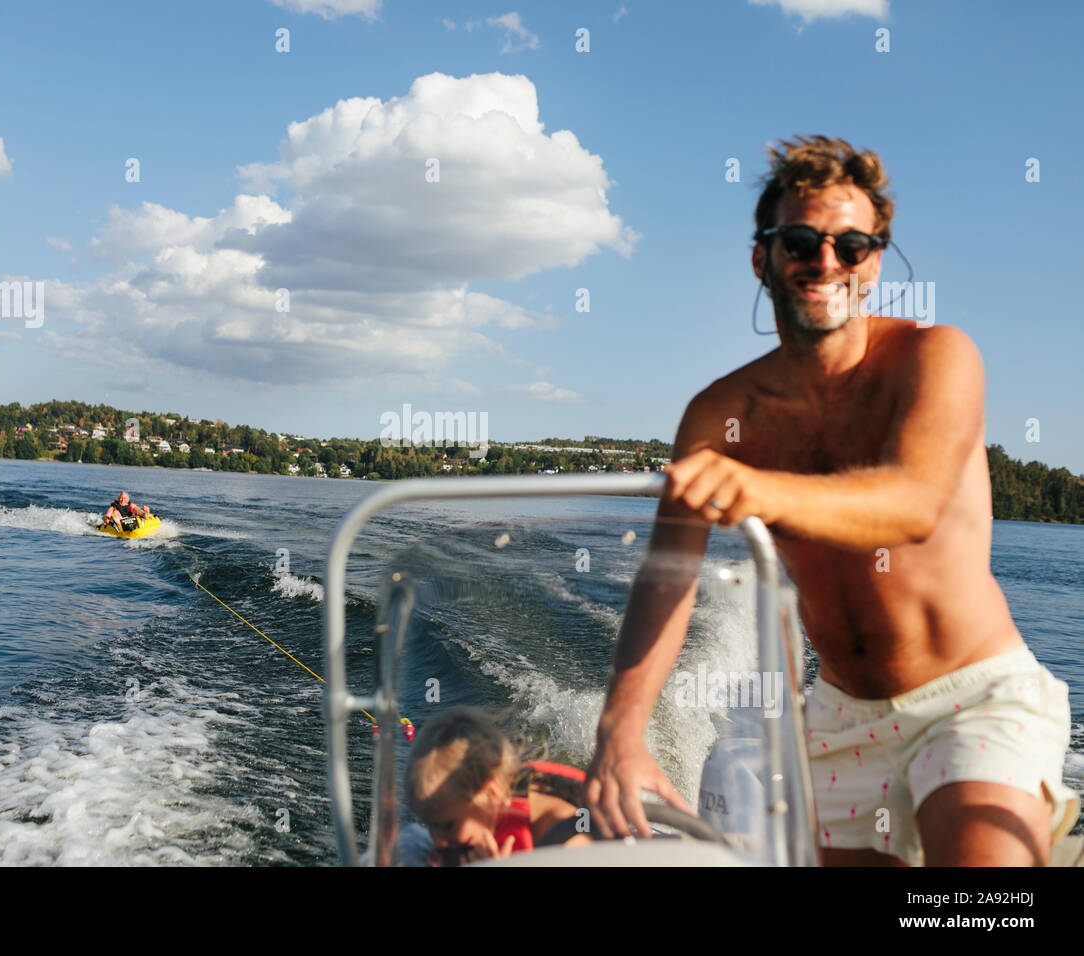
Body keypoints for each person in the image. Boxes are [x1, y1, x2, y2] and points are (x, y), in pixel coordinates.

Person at [586, 136, 1077, 866]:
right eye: (801, 242)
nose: (826, 263)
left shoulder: (935, 358)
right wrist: (619, 735)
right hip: (842, 719)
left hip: (974, 697)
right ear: (763, 258)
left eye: (851, 245)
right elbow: (668, 580)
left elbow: (912, 504)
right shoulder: (721, 413)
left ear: (875, 263)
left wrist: (759, 488)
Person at [407, 707, 591, 866]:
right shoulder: (494, 802)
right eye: (429, 824)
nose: (437, 842)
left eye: (447, 826)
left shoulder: (567, 842)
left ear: (492, 794)